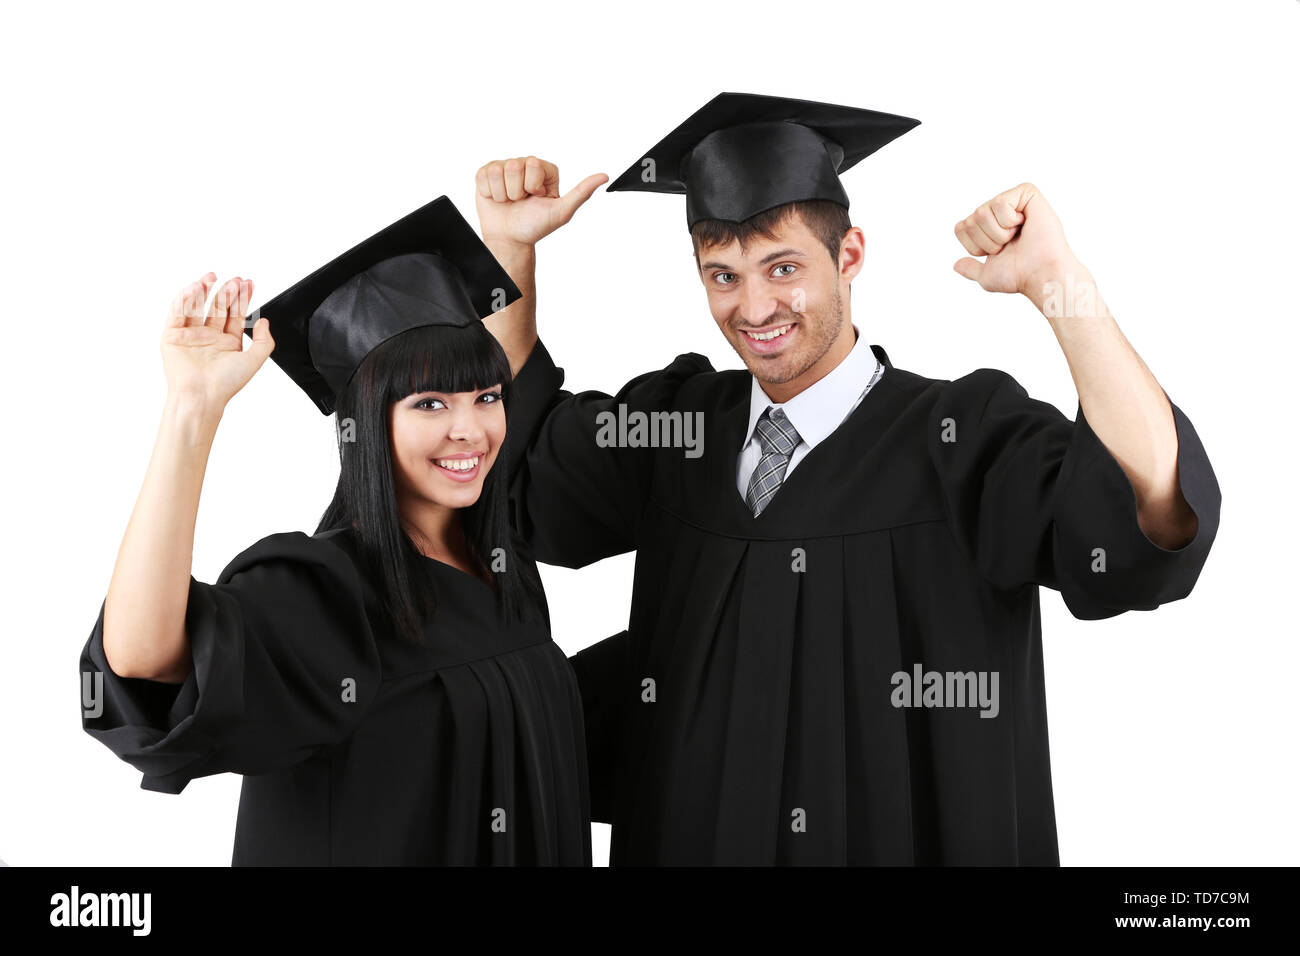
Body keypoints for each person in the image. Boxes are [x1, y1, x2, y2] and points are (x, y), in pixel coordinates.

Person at [476, 94, 1223, 865]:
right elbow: (515, 475)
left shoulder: (961, 437)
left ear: (852, 255)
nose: (754, 306)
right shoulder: (679, 429)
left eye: (784, 267)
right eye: (722, 276)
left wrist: (1063, 288)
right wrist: (507, 256)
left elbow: (1146, 519)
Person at [78, 196, 600, 865]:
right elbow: (139, 657)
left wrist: (513, 249)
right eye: (430, 403)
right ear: (362, 427)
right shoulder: (330, 592)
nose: (469, 429)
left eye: (487, 397)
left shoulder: (502, 562)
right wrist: (193, 409)